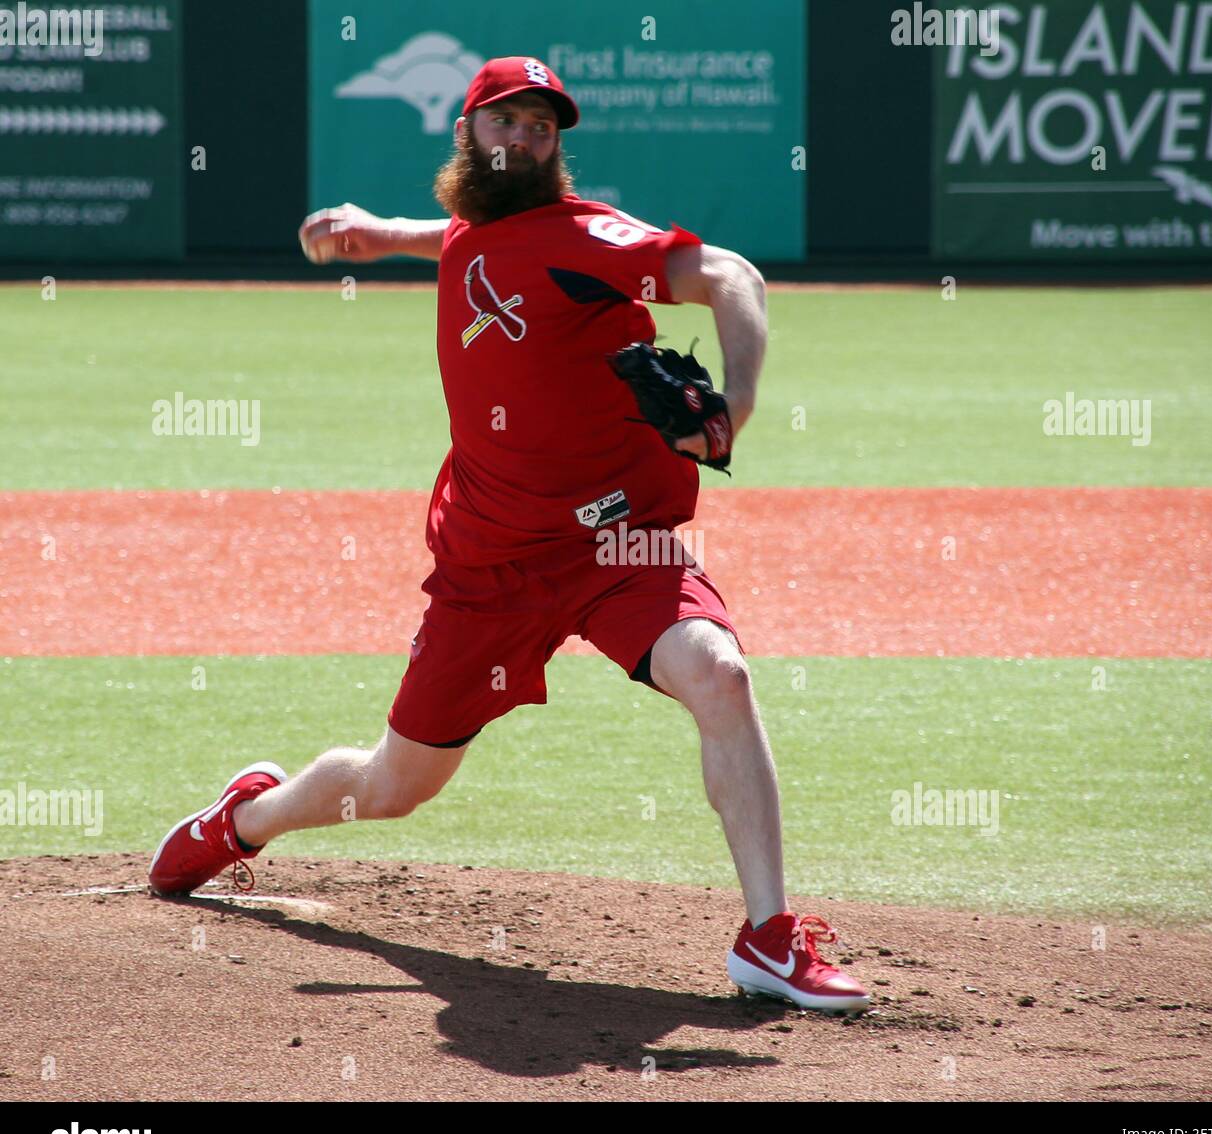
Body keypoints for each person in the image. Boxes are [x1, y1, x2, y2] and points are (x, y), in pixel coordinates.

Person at [149, 56, 868, 1013]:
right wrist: (375, 233)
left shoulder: (583, 235)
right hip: (488, 565)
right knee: (396, 784)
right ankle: (249, 818)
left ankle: (768, 937)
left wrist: (735, 398)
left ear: (556, 147)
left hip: (621, 544)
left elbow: (731, 274)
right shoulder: (473, 229)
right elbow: (451, 236)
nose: (524, 139)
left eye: (541, 127)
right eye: (507, 122)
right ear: (470, 133)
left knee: (721, 675)